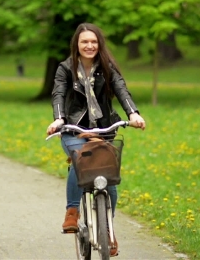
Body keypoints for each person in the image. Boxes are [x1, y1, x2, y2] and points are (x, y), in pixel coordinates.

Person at [46, 23, 146, 256]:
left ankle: (107, 230)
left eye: (93, 42)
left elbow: (121, 89)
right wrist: (59, 119)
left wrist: (133, 113)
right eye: (84, 42)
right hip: (74, 131)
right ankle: (72, 212)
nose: (89, 46)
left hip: (104, 130)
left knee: (109, 178)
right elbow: (58, 94)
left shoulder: (107, 68)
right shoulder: (65, 69)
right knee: (81, 160)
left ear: (99, 44)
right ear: (77, 45)